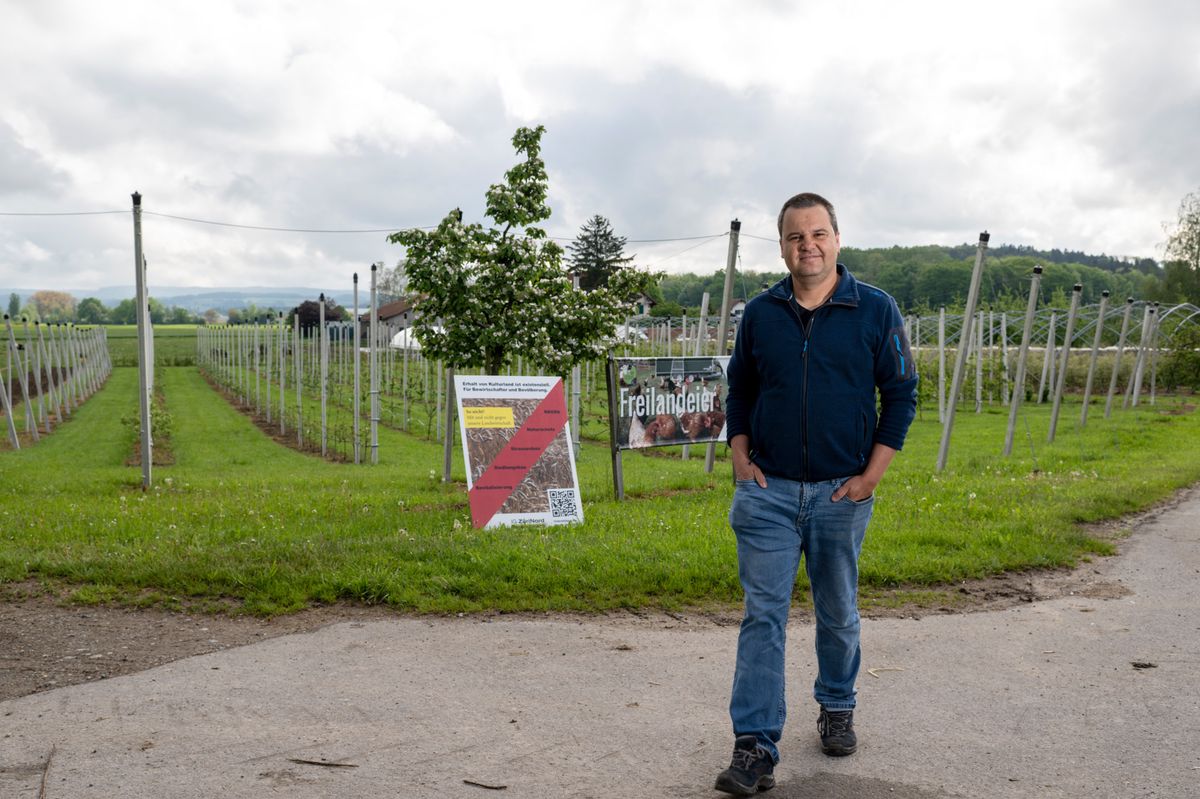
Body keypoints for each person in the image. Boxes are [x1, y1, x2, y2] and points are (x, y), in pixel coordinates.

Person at [714, 192, 918, 795]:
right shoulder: (761, 313)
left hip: (840, 495)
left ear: (837, 238)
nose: (808, 245)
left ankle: (836, 703)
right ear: (781, 245)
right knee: (763, 616)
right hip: (768, 492)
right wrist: (740, 453)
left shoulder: (875, 310)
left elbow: (901, 395)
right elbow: (740, 389)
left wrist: (870, 477)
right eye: (795, 237)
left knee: (837, 611)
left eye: (818, 234)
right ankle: (754, 745)